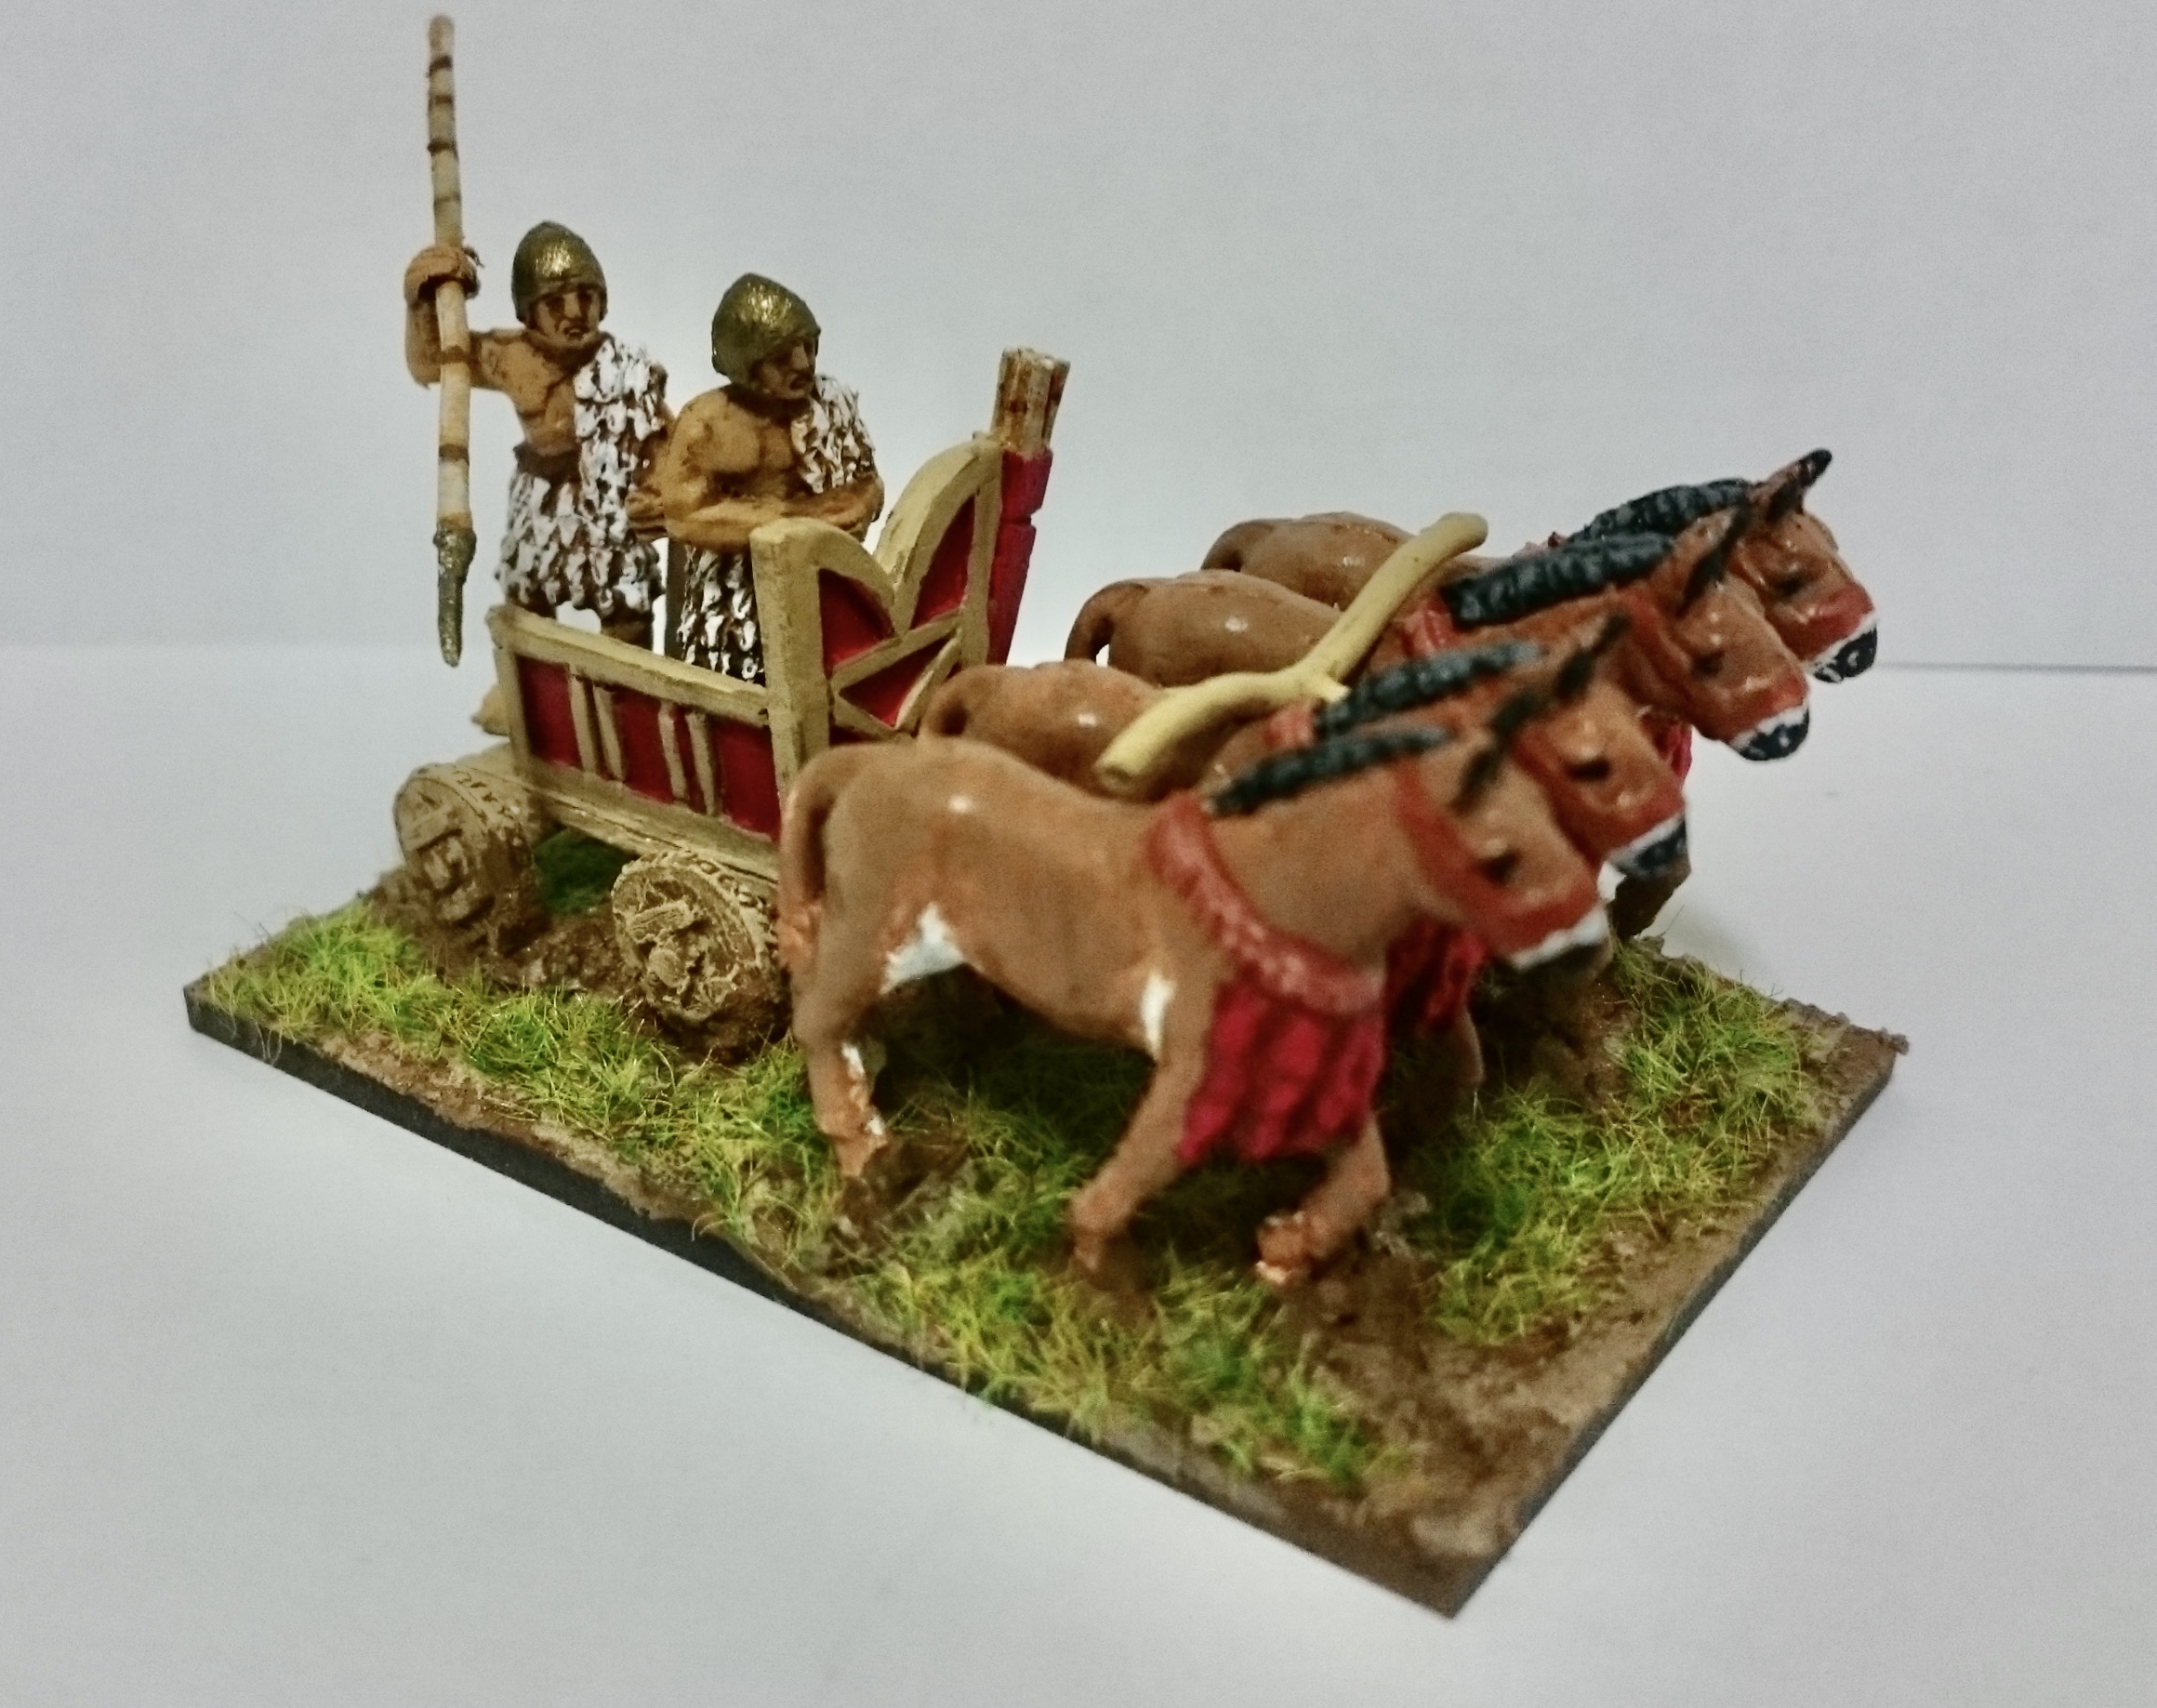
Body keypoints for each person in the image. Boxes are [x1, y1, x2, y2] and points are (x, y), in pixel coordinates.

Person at [404, 222, 670, 656]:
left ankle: (621, 692)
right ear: (529, 313)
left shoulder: (629, 370)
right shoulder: (510, 357)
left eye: (586, 297)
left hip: (610, 506)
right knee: (528, 606)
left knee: (626, 607)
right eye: (555, 302)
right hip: (539, 506)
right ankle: (532, 687)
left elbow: (666, 440)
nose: (574, 313)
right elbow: (432, 361)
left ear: (603, 303)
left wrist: (662, 492)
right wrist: (421, 299)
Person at [654, 274, 882, 680]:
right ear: (748, 365)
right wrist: (793, 518)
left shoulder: (831, 404)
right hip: (736, 596)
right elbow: (682, 516)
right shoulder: (707, 424)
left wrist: (859, 506)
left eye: (808, 346)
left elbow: (868, 481)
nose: (803, 364)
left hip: (824, 580)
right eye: (782, 357)